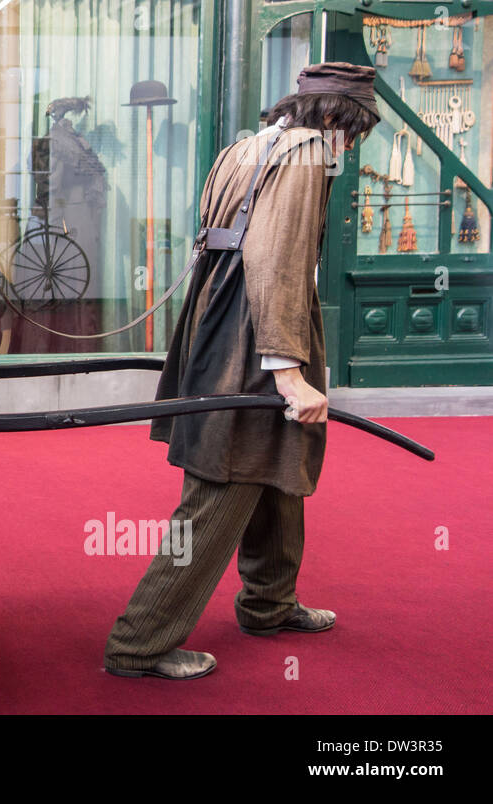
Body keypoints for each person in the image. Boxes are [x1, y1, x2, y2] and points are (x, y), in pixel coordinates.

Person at [103, 62, 381, 679]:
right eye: (354, 134)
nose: (349, 149)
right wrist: (287, 371)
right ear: (336, 118)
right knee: (223, 485)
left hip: (222, 326)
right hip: (255, 337)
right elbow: (277, 259)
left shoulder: (246, 145)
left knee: (278, 466)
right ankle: (138, 643)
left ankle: (268, 603)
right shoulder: (308, 151)